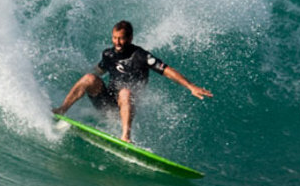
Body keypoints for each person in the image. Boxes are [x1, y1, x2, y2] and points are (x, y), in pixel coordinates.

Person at [52, 20, 212, 142]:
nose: (117, 42)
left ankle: (125, 136)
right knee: (89, 78)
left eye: (121, 39)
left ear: (130, 38)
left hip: (127, 105)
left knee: (126, 92)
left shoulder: (141, 55)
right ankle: (62, 110)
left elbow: (167, 70)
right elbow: (97, 72)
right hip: (107, 103)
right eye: (114, 38)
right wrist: (79, 77)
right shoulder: (108, 54)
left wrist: (190, 86)